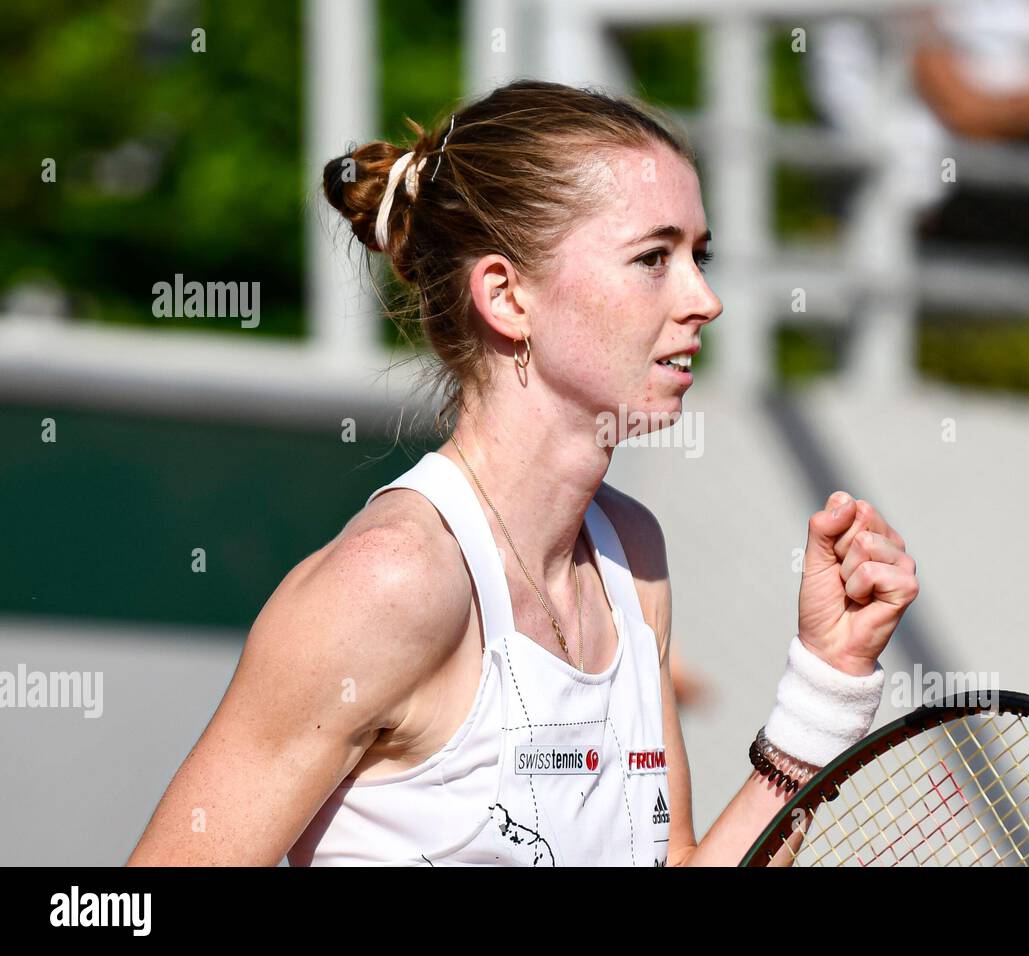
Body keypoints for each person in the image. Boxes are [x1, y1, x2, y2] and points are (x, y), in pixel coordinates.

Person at [126, 79, 918, 867]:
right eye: (653, 257)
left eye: (698, 256)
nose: (705, 299)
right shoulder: (392, 582)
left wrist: (826, 685)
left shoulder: (630, 553)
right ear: (506, 297)